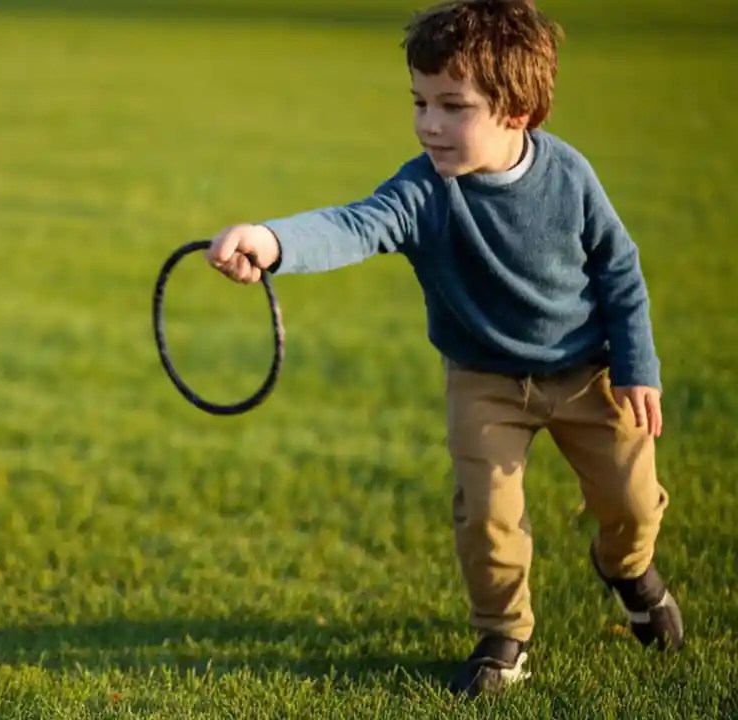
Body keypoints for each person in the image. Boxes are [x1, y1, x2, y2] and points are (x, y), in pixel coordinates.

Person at [205, 0, 684, 697]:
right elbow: (353, 226)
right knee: (486, 512)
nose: (430, 123)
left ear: (518, 111)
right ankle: (503, 634)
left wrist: (638, 365)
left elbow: (619, 268)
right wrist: (272, 242)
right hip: (484, 378)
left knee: (633, 504)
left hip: (587, 372)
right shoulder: (423, 191)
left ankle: (628, 569)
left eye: (453, 106)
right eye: (420, 102)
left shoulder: (570, 177)